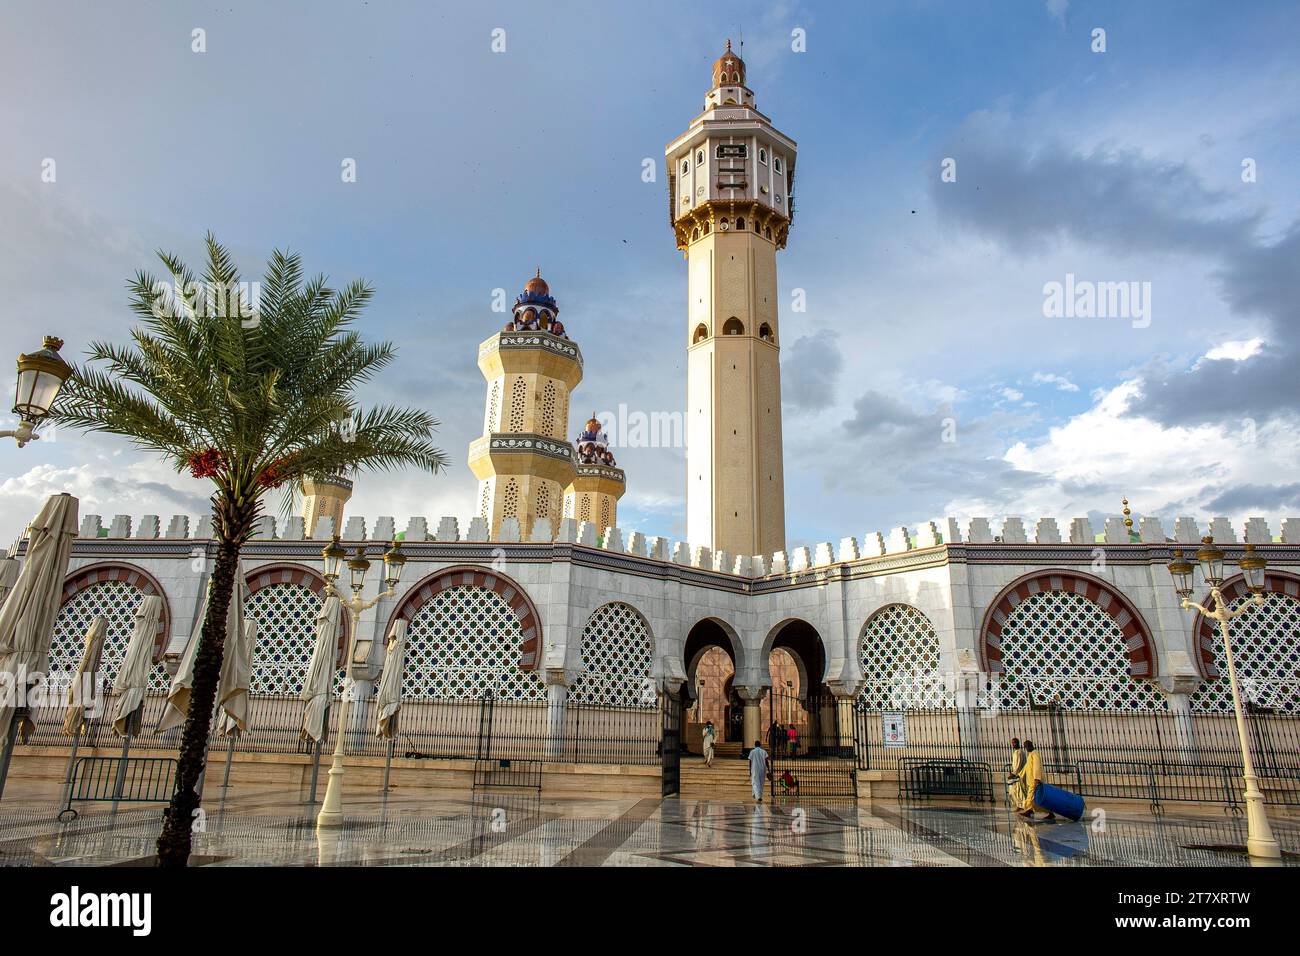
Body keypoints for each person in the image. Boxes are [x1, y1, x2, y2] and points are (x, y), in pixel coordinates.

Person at [1016, 739, 1056, 821]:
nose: (1026, 748)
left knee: (1032, 797)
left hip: (1035, 781)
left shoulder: (1035, 754)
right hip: (1030, 782)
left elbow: (1037, 767)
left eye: (1027, 746)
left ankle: (1029, 810)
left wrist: (1037, 778)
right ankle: (1034, 811)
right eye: (1025, 746)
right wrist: (1019, 775)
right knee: (1035, 798)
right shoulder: (1030, 755)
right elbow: (1026, 767)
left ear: (1031, 745)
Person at [1007, 737, 1027, 807]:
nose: (1013, 744)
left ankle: (1024, 806)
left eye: (1014, 743)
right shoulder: (1016, 752)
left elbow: (1018, 765)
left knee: (1021, 792)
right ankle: (1019, 805)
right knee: (1015, 792)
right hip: (1016, 775)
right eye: (1012, 743)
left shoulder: (1019, 752)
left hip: (1020, 775)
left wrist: (1013, 773)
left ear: (1017, 743)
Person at [748, 738, 769, 804]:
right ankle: (758, 795)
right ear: (760, 745)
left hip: (755, 769)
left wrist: (750, 769)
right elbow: (766, 761)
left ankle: (758, 796)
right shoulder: (764, 751)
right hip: (762, 769)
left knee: (755, 782)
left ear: (755, 745)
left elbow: (750, 761)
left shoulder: (752, 751)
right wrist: (768, 768)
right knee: (761, 783)